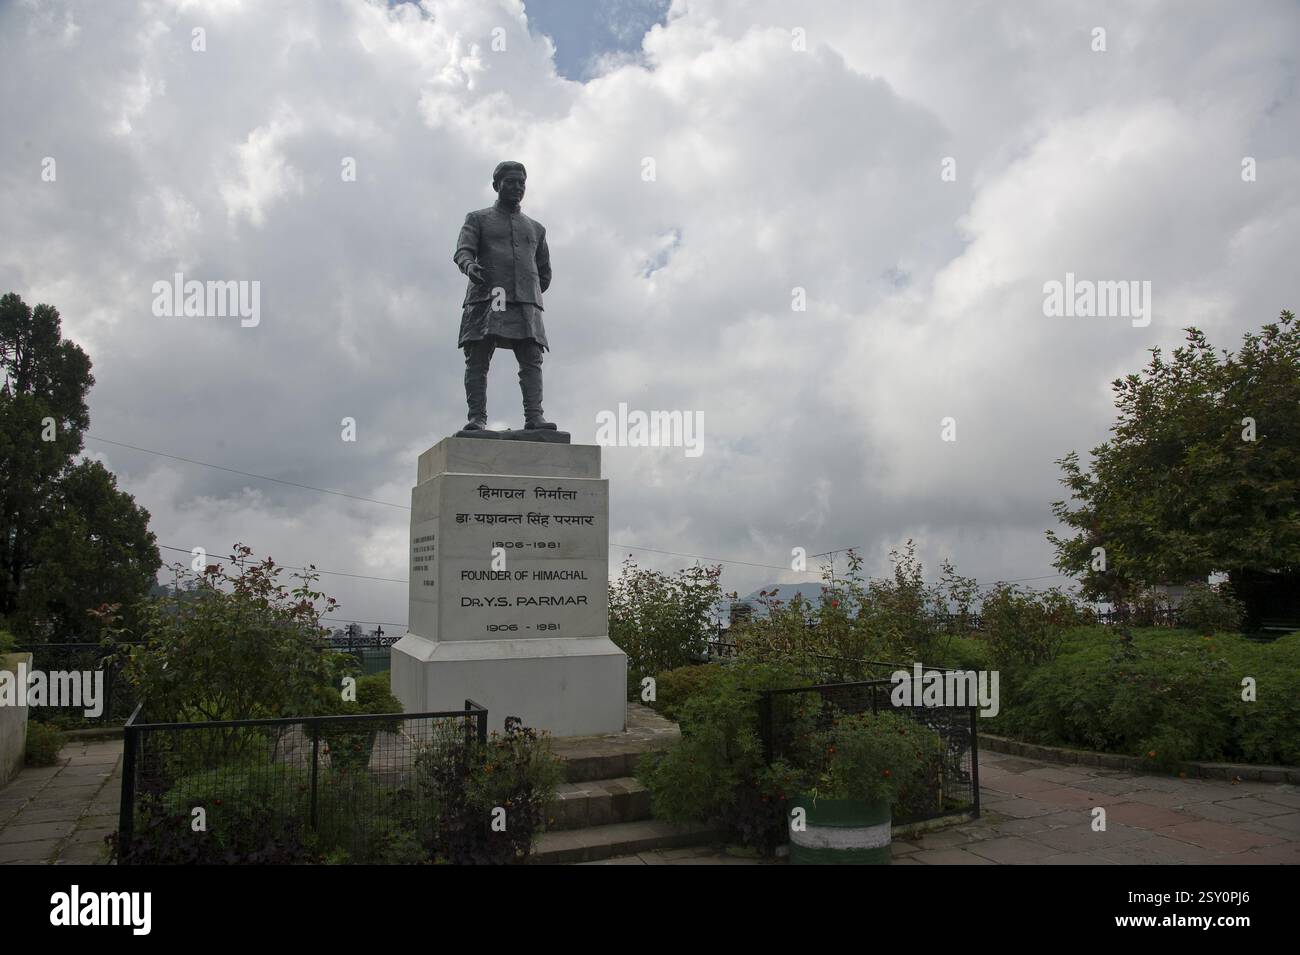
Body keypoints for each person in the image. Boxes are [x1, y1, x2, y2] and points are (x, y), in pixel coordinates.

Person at [452, 161, 556, 431]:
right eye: (511, 182)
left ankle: (535, 416)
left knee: (532, 358)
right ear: (497, 185)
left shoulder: (536, 228)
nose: (517, 187)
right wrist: (469, 266)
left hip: (525, 300)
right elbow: (463, 251)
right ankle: (477, 417)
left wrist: (528, 289)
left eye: (522, 182)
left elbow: (544, 271)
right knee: (477, 357)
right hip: (489, 296)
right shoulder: (477, 218)